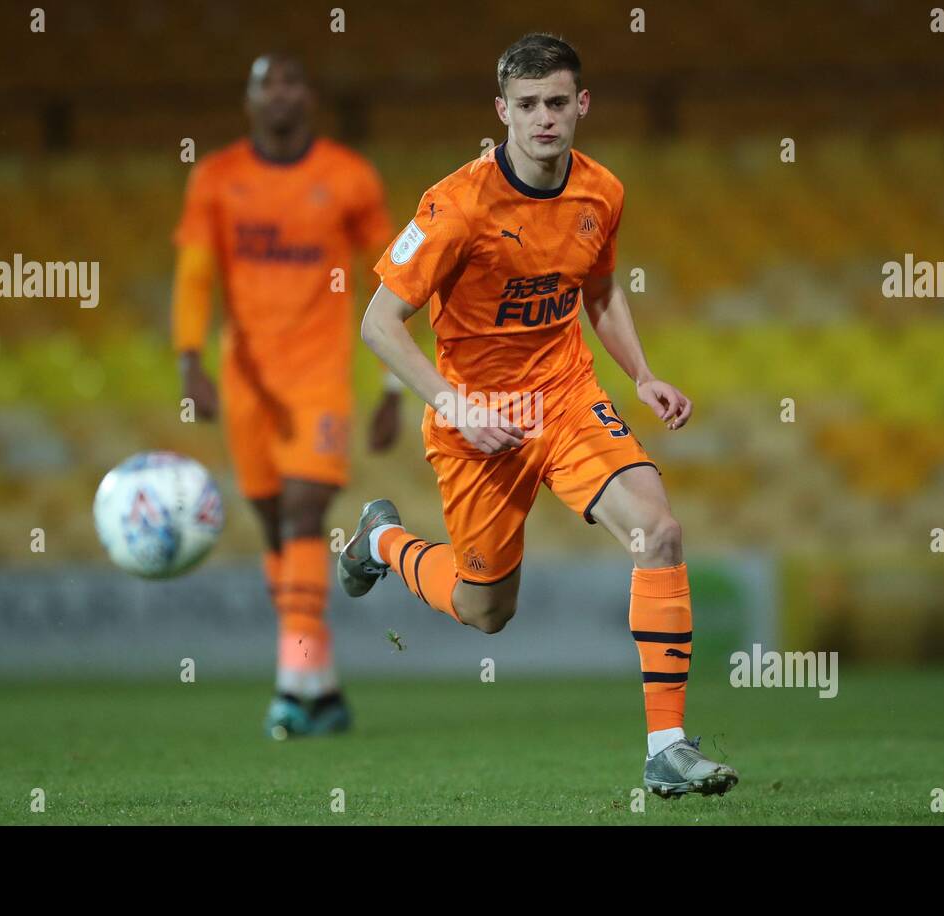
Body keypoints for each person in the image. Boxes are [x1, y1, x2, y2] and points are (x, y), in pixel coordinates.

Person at [338, 34, 737, 797]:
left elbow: (600, 291)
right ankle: (382, 541)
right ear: (502, 112)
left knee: (659, 530)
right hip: (477, 423)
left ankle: (667, 746)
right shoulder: (455, 206)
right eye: (527, 106)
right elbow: (378, 323)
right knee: (485, 611)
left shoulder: (602, 192)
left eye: (558, 102)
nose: (544, 119)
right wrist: (455, 404)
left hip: (565, 398)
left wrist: (643, 374)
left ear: (581, 104)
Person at [171, 52, 398, 738]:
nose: (280, 95)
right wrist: (189, 359)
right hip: (247, 382)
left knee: (304, 513)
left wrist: (394, 384)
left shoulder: (349, 177)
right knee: (275, 528)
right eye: (267, 83)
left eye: (293, 81)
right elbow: (194, 274)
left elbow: (396, 275)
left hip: (319, 378)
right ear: (249, 101)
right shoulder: (216, 178)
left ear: (311, 96)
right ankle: (321, 685)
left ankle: (290, 688)